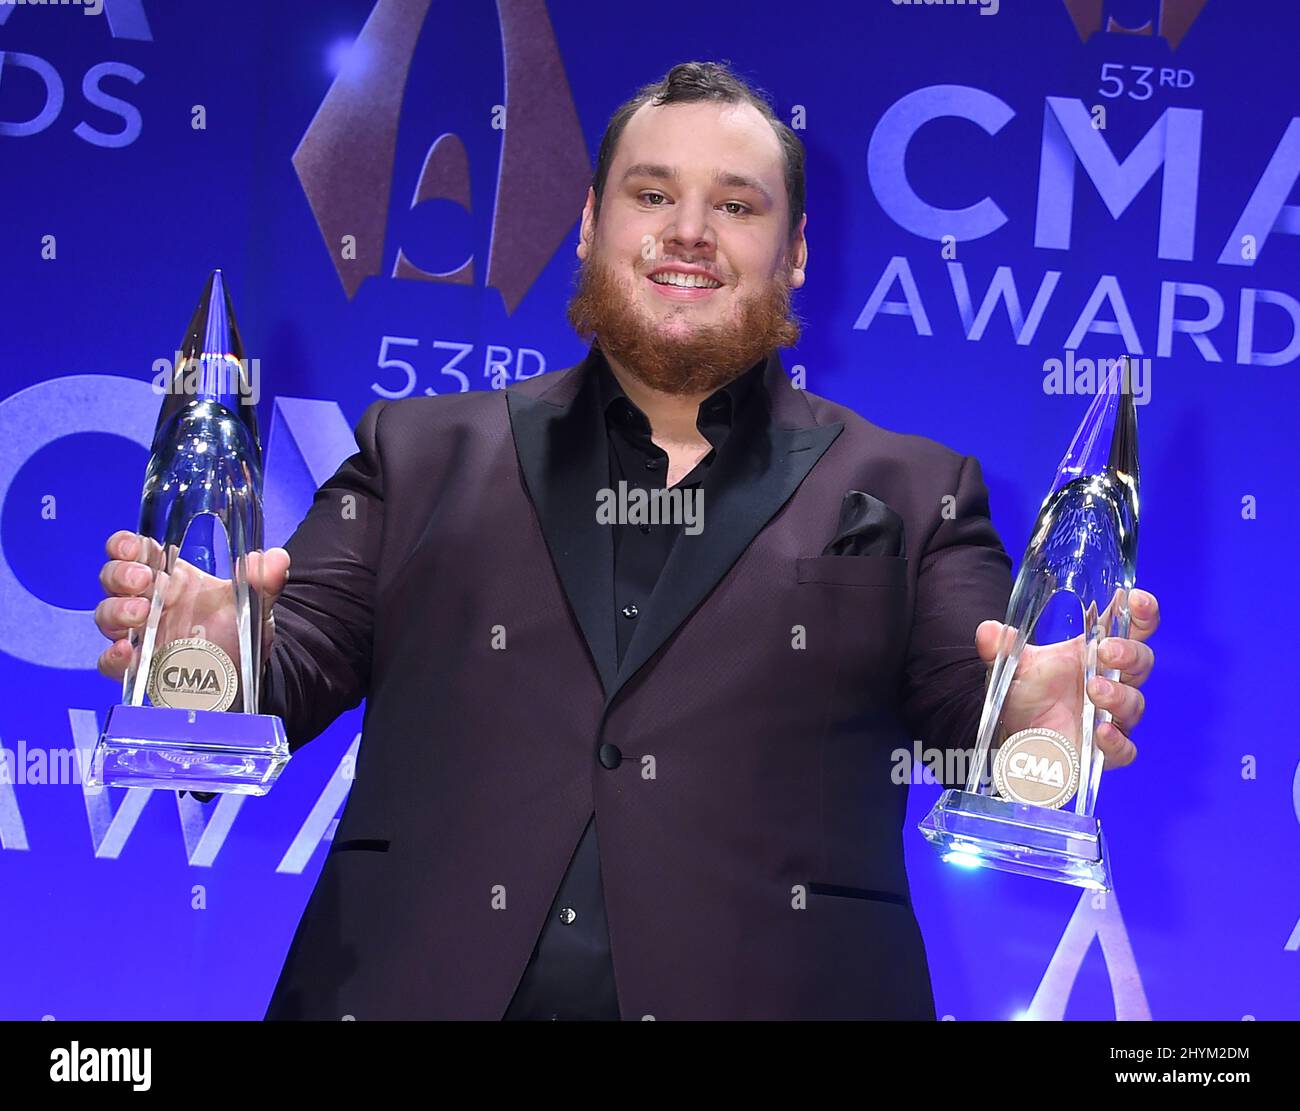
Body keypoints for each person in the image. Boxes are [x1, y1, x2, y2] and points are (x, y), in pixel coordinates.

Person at [94, 61, 1160, 1020]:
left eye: (734, 206)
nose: (689, 231)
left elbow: (961, 723)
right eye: (652, 194)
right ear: (592, 222)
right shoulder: (415, 450)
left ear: (792, 256)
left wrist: (1031, 710)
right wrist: (205, 652)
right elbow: (279, 681)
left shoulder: (917, 489)